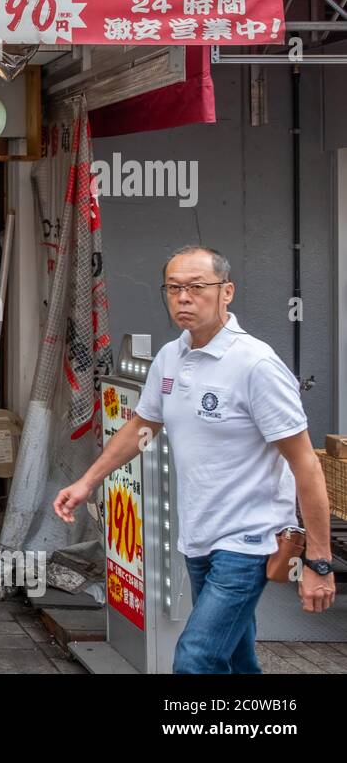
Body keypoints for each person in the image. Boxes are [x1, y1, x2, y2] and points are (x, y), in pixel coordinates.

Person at [53, 245, 336, 674]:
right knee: (238, 659)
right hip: (199, 536)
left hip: (248, 541)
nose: (183, 298)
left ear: (227, 292)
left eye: (197, 287)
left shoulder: (255, 364)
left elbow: (305, 464)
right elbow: (142, 428)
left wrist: (318, 560)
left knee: (196, 658)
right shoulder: (171, 357)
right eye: (173, 288)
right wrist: (87, 481)